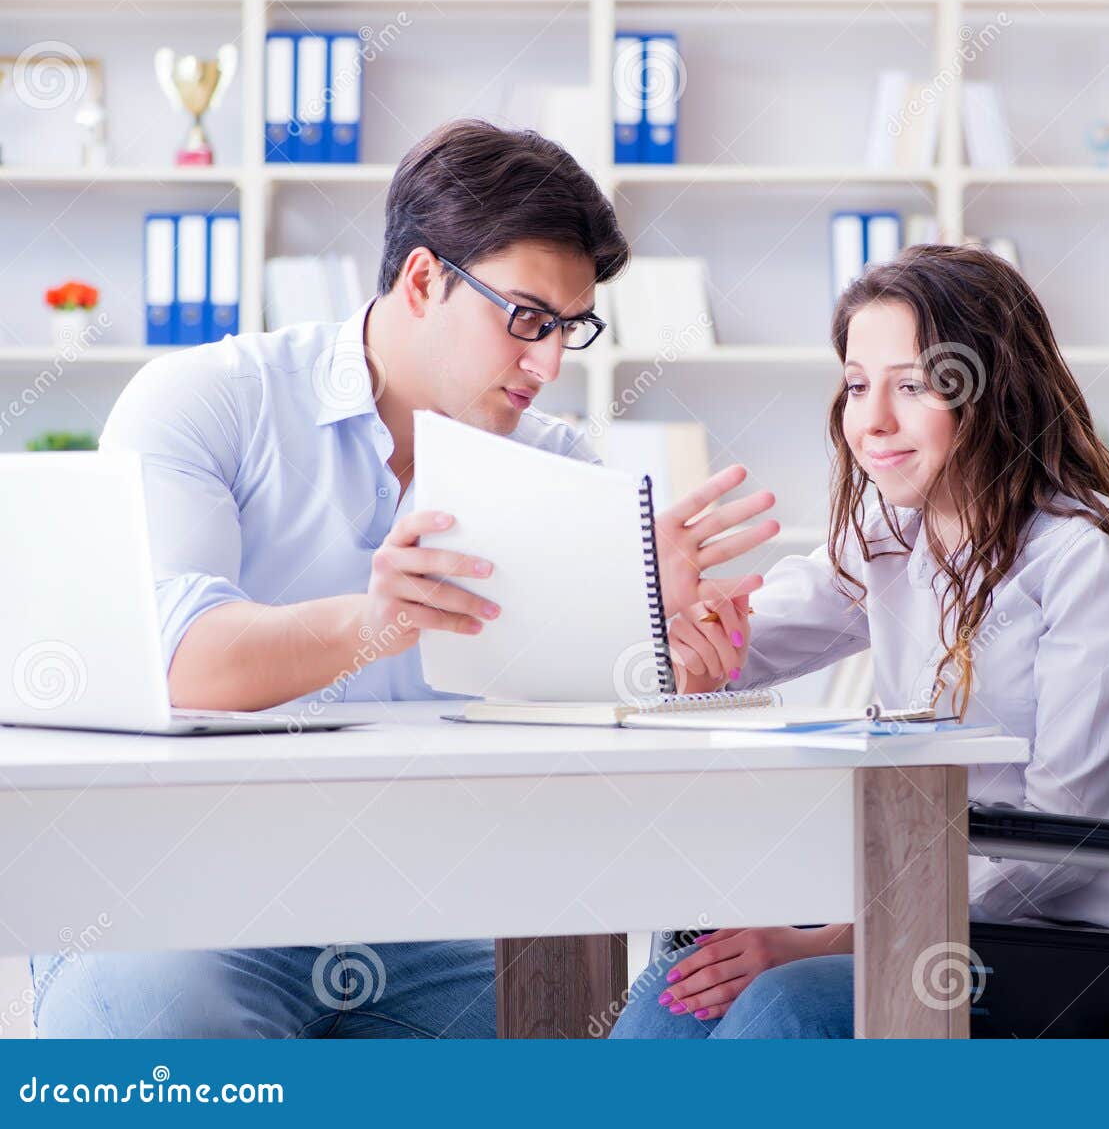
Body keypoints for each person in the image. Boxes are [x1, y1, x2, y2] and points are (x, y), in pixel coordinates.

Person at [31, 118, 777, 1038]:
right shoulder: (205, 401)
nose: (548, 363)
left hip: (431, 923)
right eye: (528, 320)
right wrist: (378, 620)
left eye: (569, 330)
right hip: (176, 903)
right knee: (178, 1033)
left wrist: (672, 684)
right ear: (424, 279)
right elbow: (176, 664)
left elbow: (587, 768)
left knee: (599, 1041)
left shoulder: (562, 468)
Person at [611, 244, 1109, 1039]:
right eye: (855, 386)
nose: (871, 421)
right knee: (679, 993)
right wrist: (677, 630)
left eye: (910, 385)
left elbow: (1061, 835)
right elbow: (747, 638)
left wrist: (842, 937)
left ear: (994, 392)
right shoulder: (893, 531)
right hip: (957, 921)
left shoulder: (1085, 555)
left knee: (785, 1004)